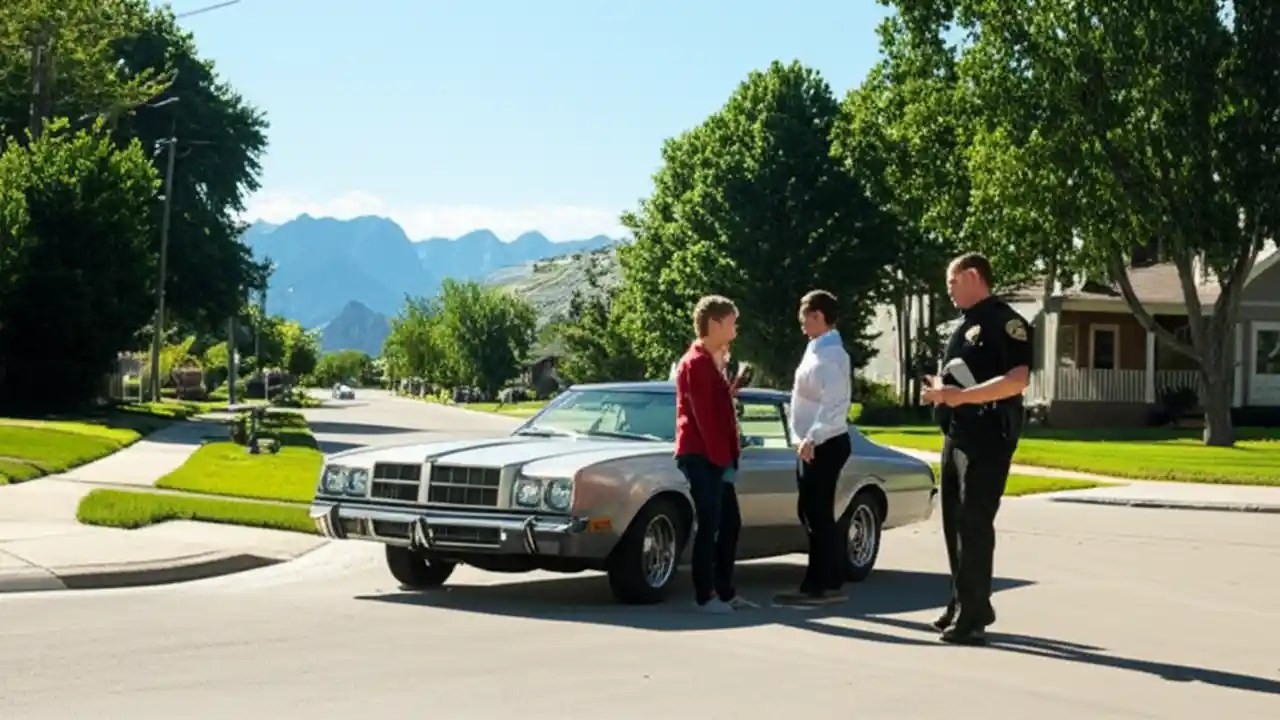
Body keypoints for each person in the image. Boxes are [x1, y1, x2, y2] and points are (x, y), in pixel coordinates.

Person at [922, 252, 1032, 645]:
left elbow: (1018, 380)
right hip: (957, 434)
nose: (948, 289)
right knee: (953, 520)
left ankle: (972, 617)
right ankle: (964, 602)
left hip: (988, 435)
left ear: (972, 276)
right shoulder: (964, 325)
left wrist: (962, 395)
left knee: (973, 521)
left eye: (952, 282)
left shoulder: (1007, 322)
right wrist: (942, 390)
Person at [673, 294, 756, 613]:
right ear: (715, 323)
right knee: (710, 524)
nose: (736, 328)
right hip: (702, 454)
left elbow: (717, 406)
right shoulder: (695, 362)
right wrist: (722, 459)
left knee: (729, 523)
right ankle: (704, 596)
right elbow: (703, 416)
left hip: (717, 455)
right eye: (732, 322)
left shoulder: (712, 361)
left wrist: (727, 382)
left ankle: (725, 592)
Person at [775, 290, 853, 606]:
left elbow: (835, 402)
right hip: (812, 441)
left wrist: (814, 435)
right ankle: (827, 578)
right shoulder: (816, 349)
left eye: (804, 316)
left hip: (825, 442)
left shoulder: (832, 355)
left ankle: (821, 584)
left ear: (818, 316)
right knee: (810, 511)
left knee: (817, 513)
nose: (801, 322)